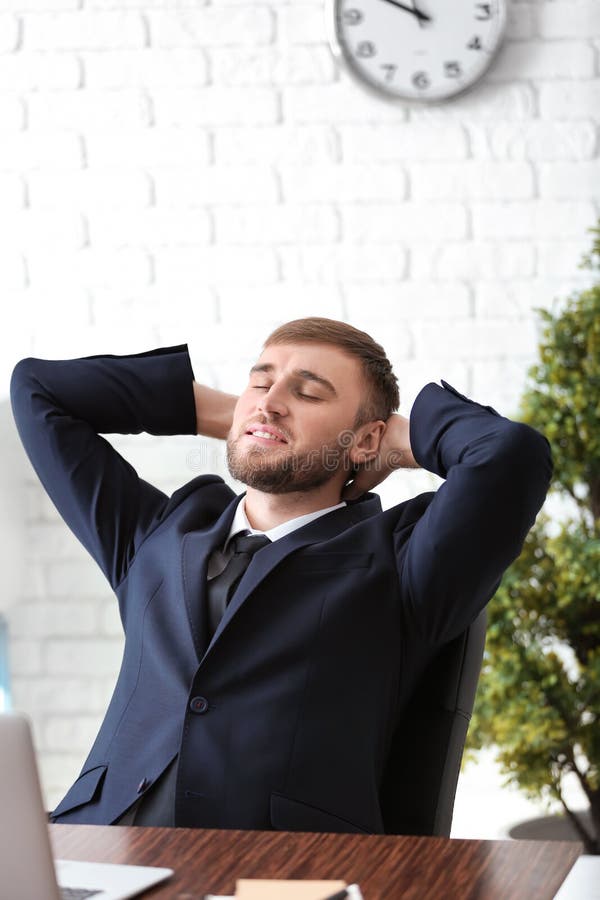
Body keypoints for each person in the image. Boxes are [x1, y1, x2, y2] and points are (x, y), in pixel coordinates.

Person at [10, 317, 552, 834]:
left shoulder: (403, 565)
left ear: (366, 440)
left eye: (308, 393)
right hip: (95, 854)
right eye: (259, 382)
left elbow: (510, 455)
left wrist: (394, 441)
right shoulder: (157, 535)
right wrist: (238, 418)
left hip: (280, 872)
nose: (271, 401)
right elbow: (39, 390)